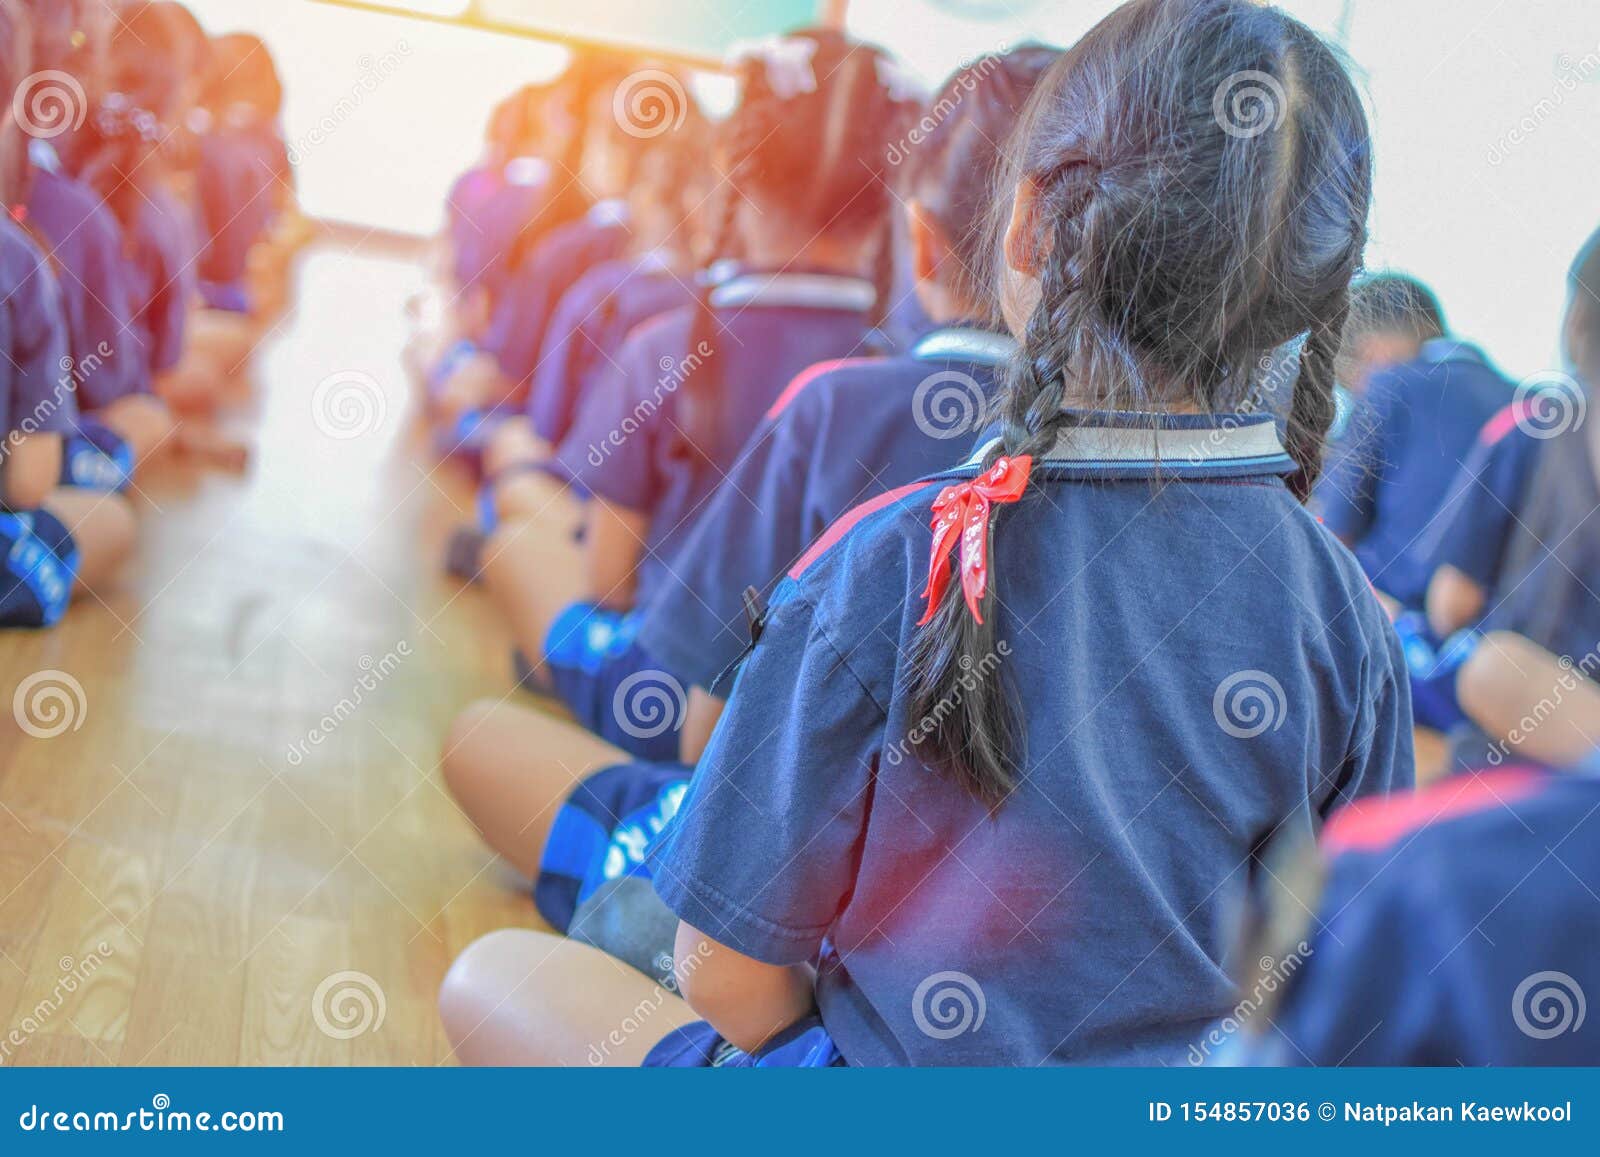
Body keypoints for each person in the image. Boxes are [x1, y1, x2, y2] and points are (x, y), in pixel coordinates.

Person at [439, 0, 1410, 1067]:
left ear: (1030, 222)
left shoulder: (903, 547)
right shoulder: (1350, 624)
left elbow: (724, 969)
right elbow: (1345, 981)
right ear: (1324, 297)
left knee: (492, 973)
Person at [438, 47, 1056, 981]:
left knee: (482, 736)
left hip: (764, 913)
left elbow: (692, 713)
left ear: (921, 237)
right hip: (983, 959)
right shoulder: (1170, 504)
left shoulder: (819, 397)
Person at [465, 29, 909, 760]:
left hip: (668, 695)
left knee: (514, 538)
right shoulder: (904, 379)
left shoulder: (668, 343)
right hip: (803, 746)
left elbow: (609, 583)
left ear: (731, 172)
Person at [1315, 278, 1512, 610]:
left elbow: (1331, 539)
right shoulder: (1527, 404)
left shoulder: (1389, 383)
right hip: (1494, 637)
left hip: (1399, 622)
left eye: (1350, 390)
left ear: (1372, 354)